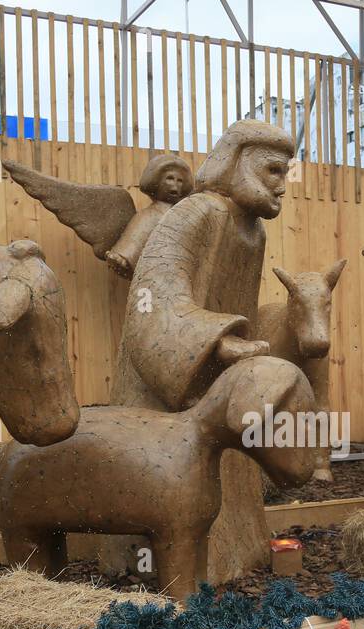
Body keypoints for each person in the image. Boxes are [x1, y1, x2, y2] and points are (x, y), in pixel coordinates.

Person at [111, 119, 296, 582]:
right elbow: (156, 287)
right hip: (174, 378)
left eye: (285, 173)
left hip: (219, 375)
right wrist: (212, 340)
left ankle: (234, 551)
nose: (282, 185)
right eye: (272, 171)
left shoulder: (252, 230)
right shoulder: (199, 211)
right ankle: (164, 569)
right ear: (240, 163)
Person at [104, 154, 193, 278]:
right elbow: (136, 235)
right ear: (157, 182)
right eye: (170, 179)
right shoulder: (150, 215)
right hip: (156, 271)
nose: (175, 185)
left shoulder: (187, 212)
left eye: (180, 181)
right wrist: (122, 257)